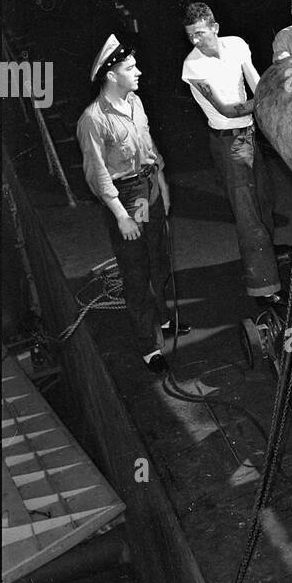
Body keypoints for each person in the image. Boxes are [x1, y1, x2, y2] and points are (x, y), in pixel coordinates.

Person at [77, 35, 189, 375]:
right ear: (111, 75)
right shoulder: (93, 120)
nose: (138, 72)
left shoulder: (135, 101)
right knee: (136, 273)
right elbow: (97, 175)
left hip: (150, 187)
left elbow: (150, 147)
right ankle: (148, 347)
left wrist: (163, 186)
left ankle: (166, 319)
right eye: (130, 68)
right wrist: (122, 217)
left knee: (159, 259)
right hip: (125, 197)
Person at [181, 2, 284, 310]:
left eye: (200, 33)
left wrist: (266, 94)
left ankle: (266, 264)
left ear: (215, 27)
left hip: (249, 135)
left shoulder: (237, 45)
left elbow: (255, 81)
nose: (196, 41)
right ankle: (263, 287)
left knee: (263, 200)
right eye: (190, 36)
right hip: (229, 142)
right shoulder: (193, 66)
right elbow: (228, 109)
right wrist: (270, 93)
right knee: (248, 213)